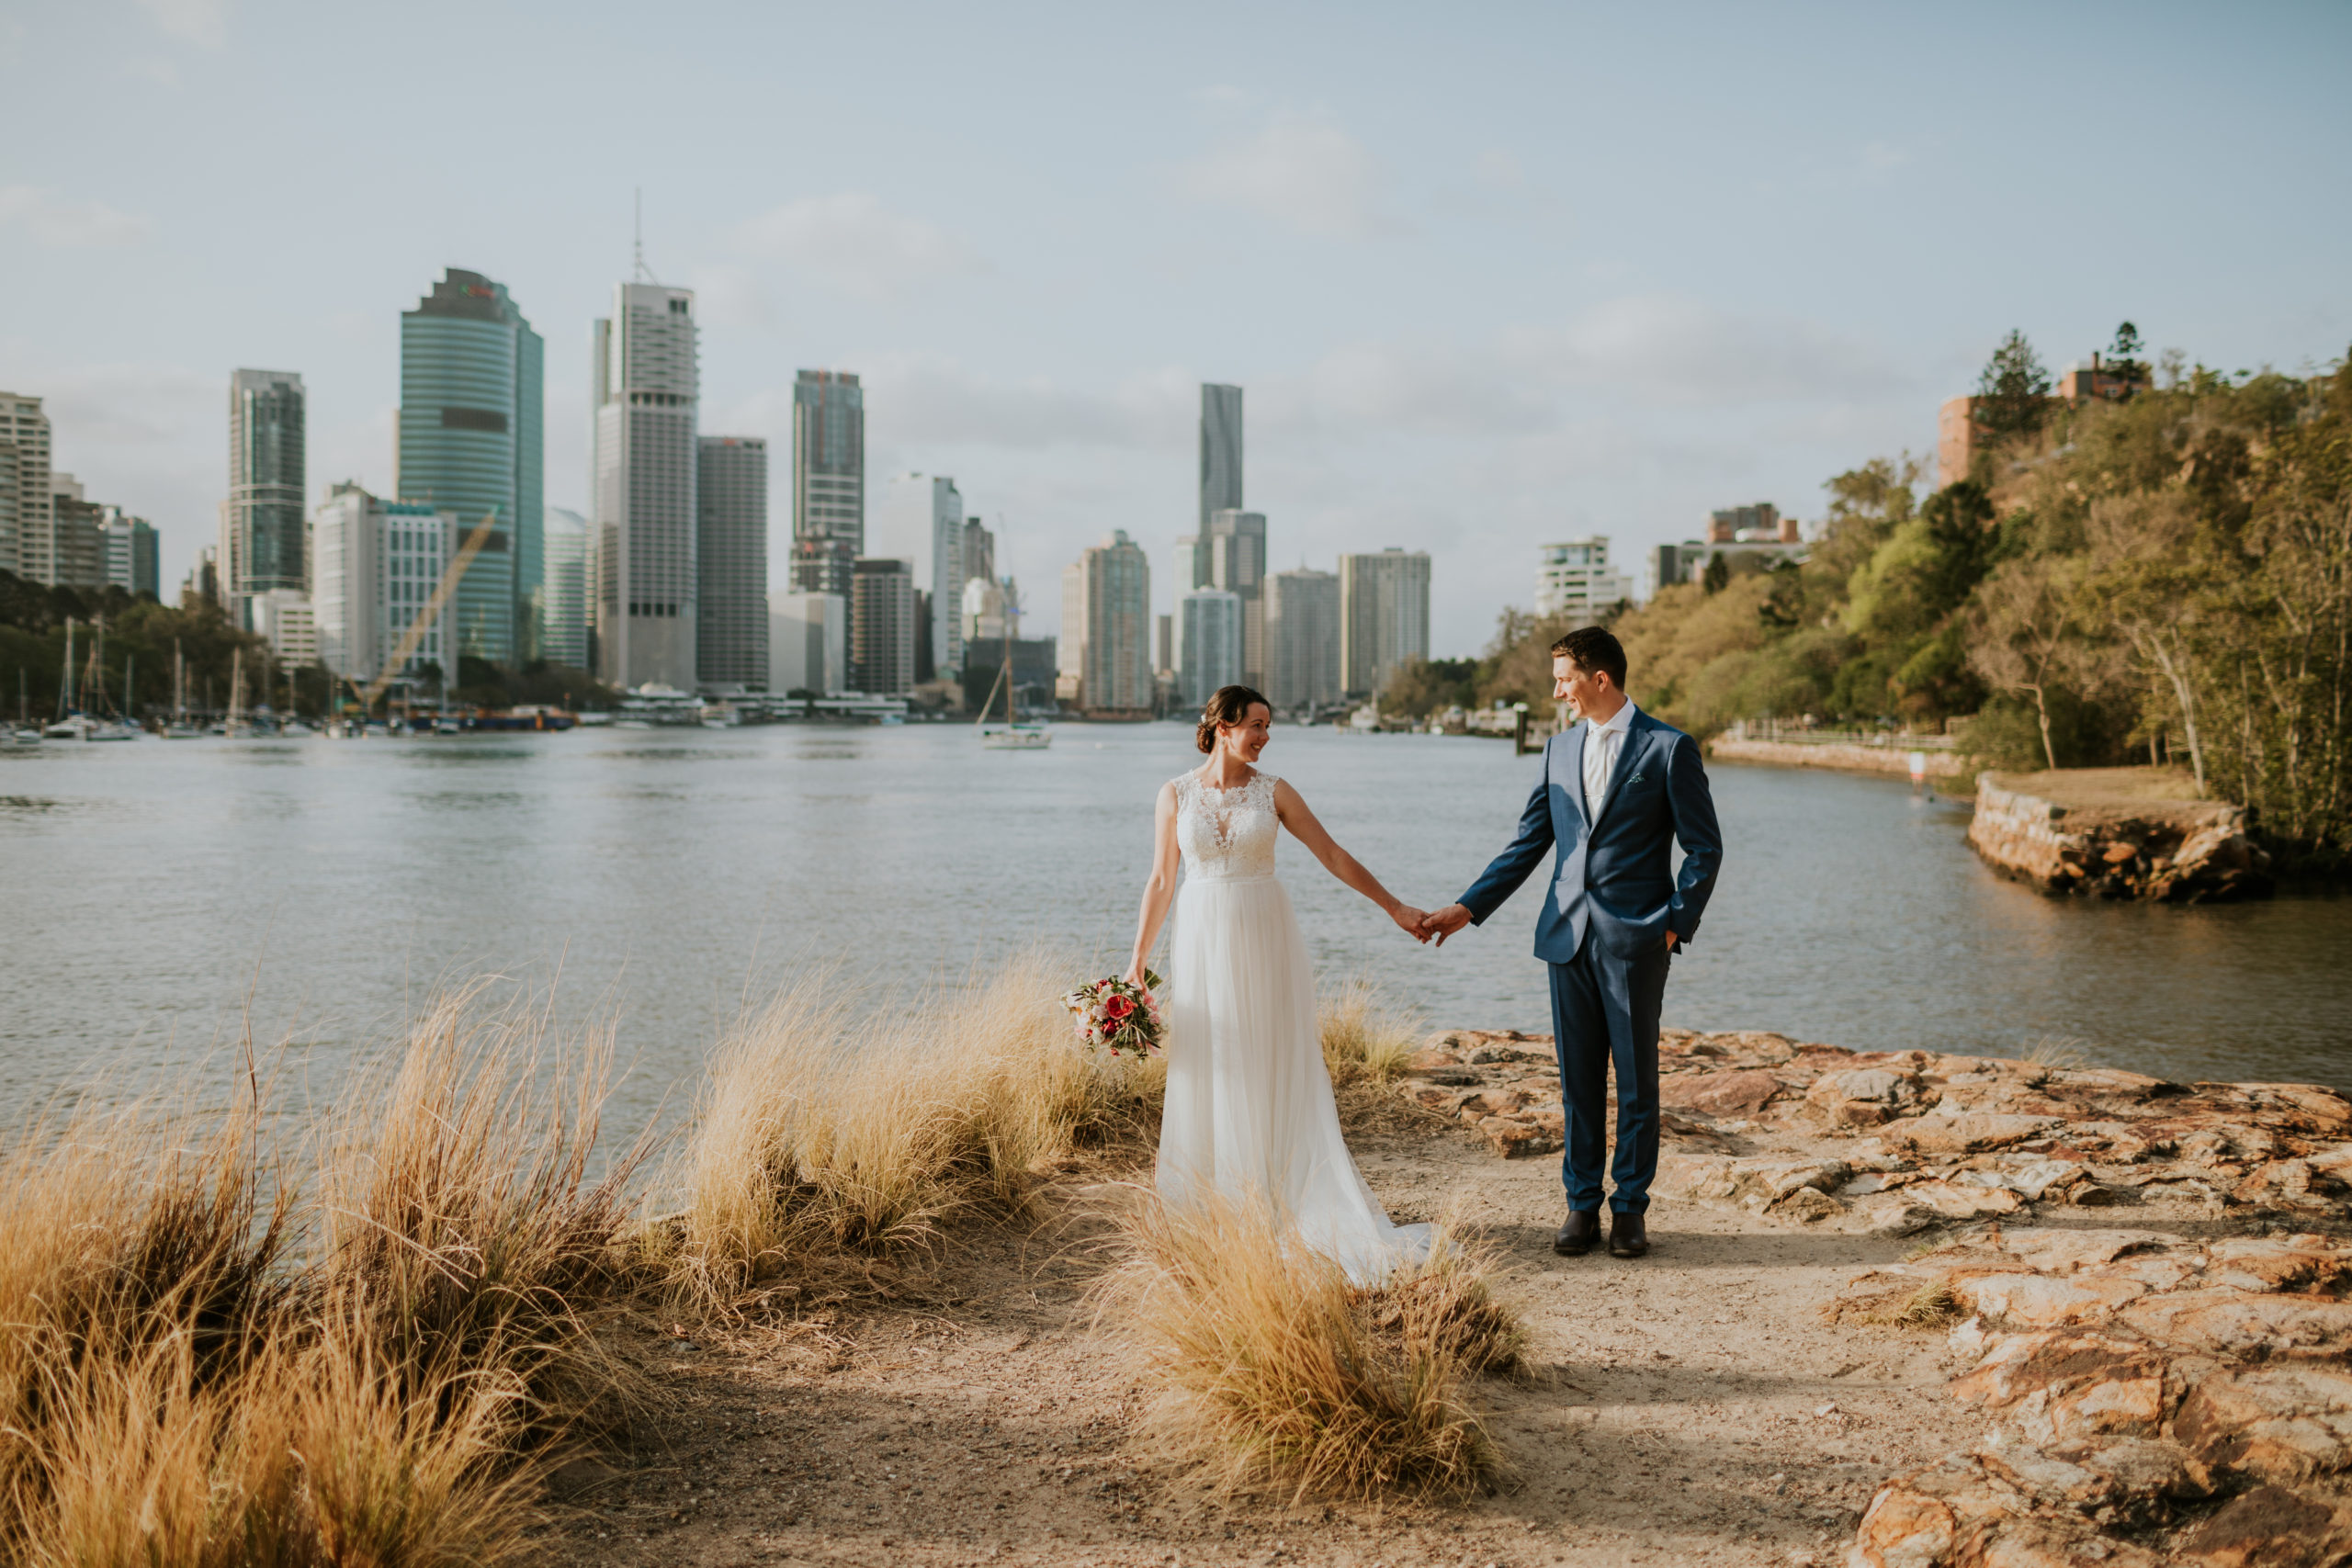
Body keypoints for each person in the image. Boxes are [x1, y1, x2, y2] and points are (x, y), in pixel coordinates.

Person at [1419, 627, 1723, 1260]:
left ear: (1599, 678)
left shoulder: (1669, 748)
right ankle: (1581, 1204)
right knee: (1577, 1082)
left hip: (1637, 940)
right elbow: (1529, 842)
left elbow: (1704, 847)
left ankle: (1630, 1210)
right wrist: (1468, 906)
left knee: (1637, 1081)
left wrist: (1673, 923)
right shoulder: (1557, 750)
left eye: (1563, 678)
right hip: (1566, 937)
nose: (1556, 691)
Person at [1125, 684, 1434, 1282]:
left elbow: (1333, 854)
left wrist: (1394, 907)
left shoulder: (1276, 792)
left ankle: (1279, 1198)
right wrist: (1137, 958)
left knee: (1269, 1062)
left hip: (1264, 938)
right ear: (1222, 725)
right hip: (1202, 943)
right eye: (1257, 724)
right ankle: (1213, 1209)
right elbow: (1162, 879)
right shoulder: (1174, 794)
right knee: (1212, 1064)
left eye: (1269, 725)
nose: (1266, 736)